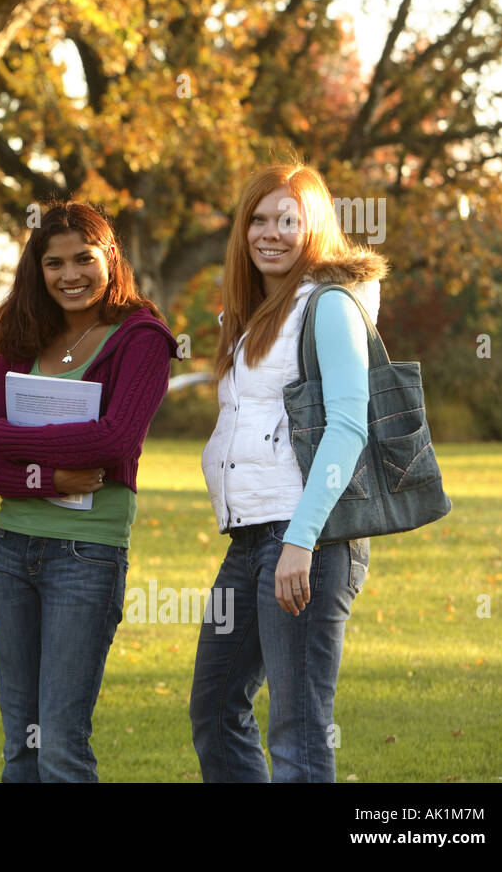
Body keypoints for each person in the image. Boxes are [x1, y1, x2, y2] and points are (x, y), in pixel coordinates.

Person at [0, 201, 178, 782]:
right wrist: (47, 476)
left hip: (86, 557)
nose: (70, 275)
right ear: (38, 270)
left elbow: (114, 440)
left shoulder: (142, 337)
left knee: (60, 745)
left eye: (84, 258)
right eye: (53, 263)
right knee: (22, 748)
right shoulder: (24, 336)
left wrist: (14, 437)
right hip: (8, 555)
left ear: (110, 257)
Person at [190, 163, 386, 782]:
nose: (269, 233)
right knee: (215, 708)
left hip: (307, 540)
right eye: (258, 218)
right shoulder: (254, 315)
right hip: (249, 538)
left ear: (314, 227)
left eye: (287, 220)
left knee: (299, 733)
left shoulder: (327, 306)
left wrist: (301, 539)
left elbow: (348, 425)